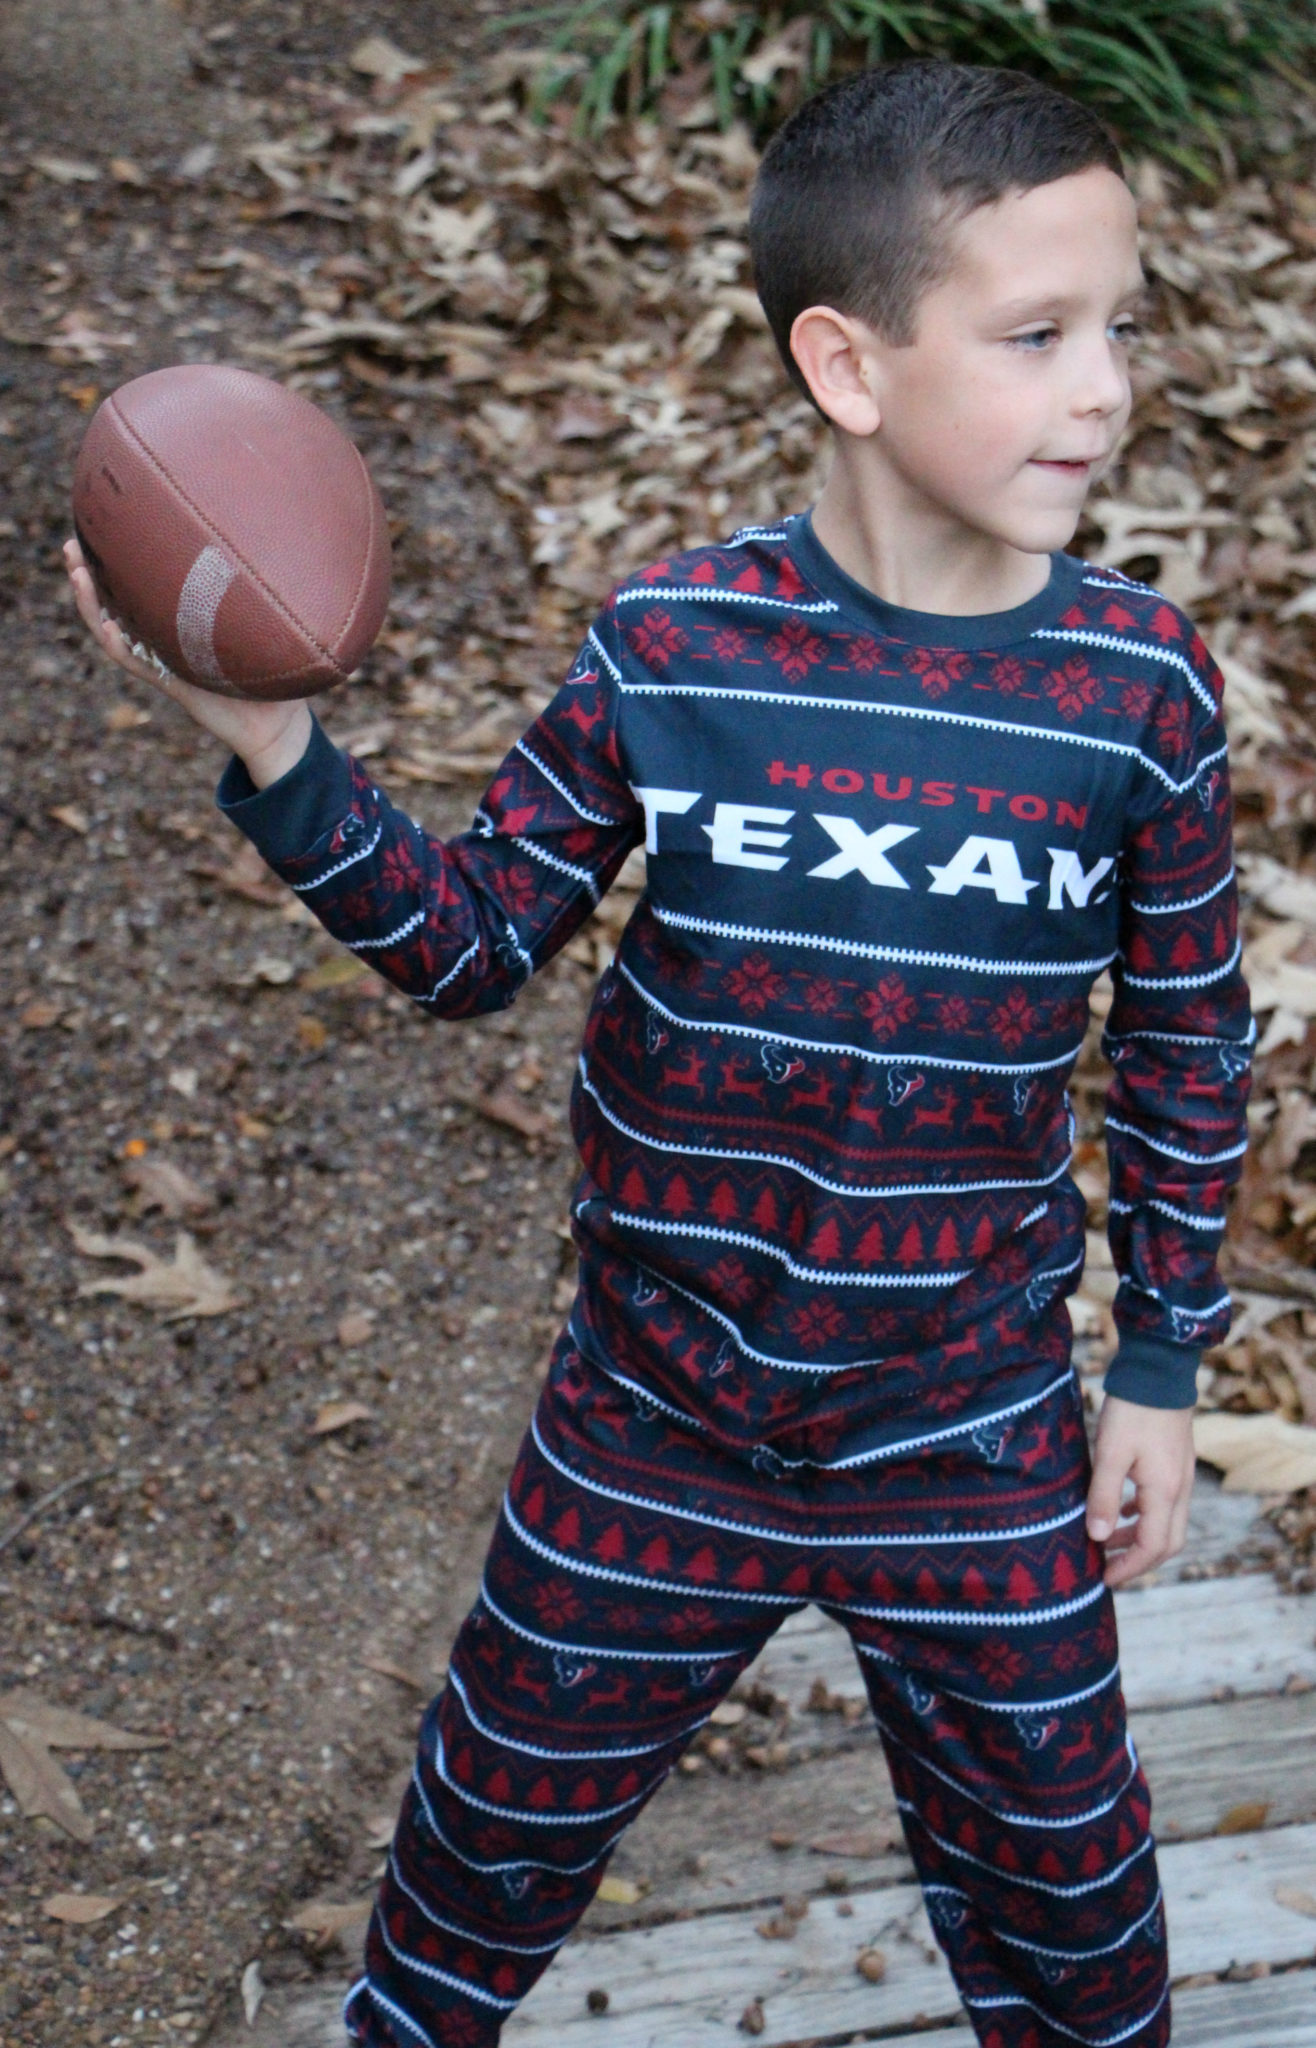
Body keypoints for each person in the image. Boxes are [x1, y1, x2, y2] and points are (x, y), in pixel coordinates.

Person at [67, 57, 1253, 2048]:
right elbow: (465, 946)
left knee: (1069, 1888)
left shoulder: (1136, 691)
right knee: (476, 1842)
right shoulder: (675, 644)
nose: (1104, 388)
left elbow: (1187, 1041)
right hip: (653, 1411)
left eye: (1118, 327)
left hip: (961, 1429)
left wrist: (1156, 1364)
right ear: (848, 366)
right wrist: (272, 753)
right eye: (1037, 336)